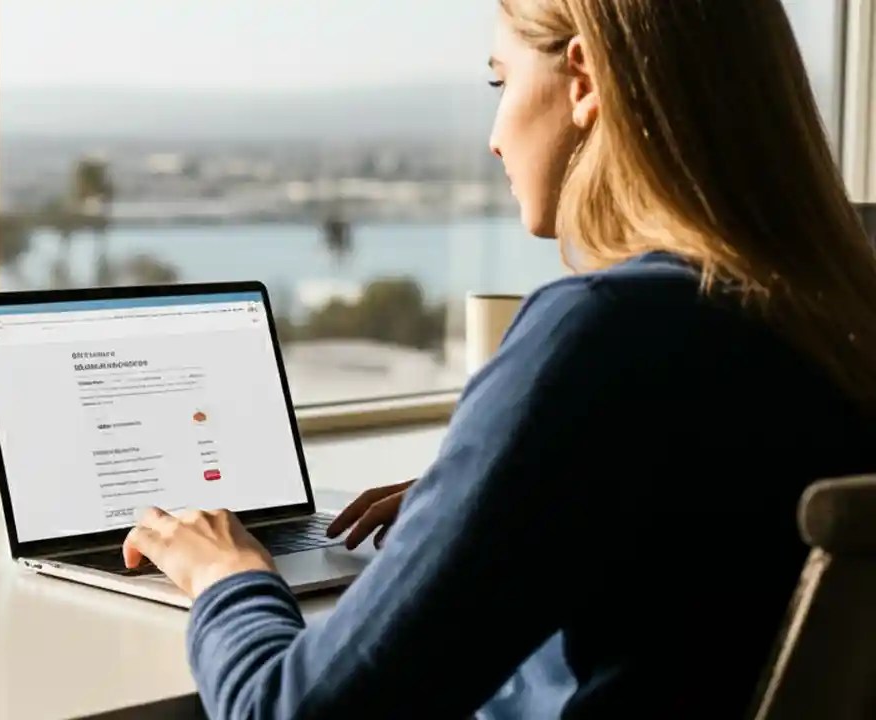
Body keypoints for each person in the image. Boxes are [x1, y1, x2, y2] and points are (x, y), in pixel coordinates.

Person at [120, 0, 876, 717]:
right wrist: (493, 498)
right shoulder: (830, 317)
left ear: (582, 80)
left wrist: (227, 575)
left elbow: (288, 711)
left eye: (500, 80)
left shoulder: (604, 332)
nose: (494, 134)